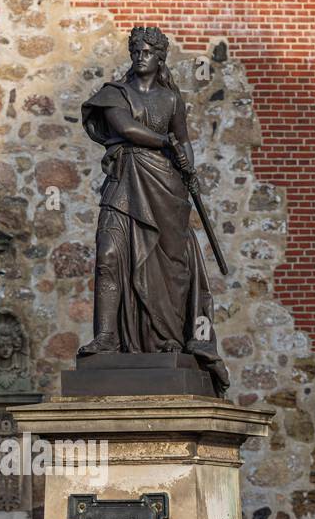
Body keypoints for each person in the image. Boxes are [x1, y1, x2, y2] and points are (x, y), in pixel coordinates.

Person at [78, 26, 229, 395]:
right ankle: (106, 337)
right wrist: (166, 141)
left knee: (166, 266)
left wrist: (188, 172)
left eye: (146, 51)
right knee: (109, 254)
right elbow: (126, 128)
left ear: (160, 57)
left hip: (165, 189)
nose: (139, 56)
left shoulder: (172, 100)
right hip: (125, 182)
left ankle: (164, 338)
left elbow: (186, 142)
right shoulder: (116, 94)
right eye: (135, 50)